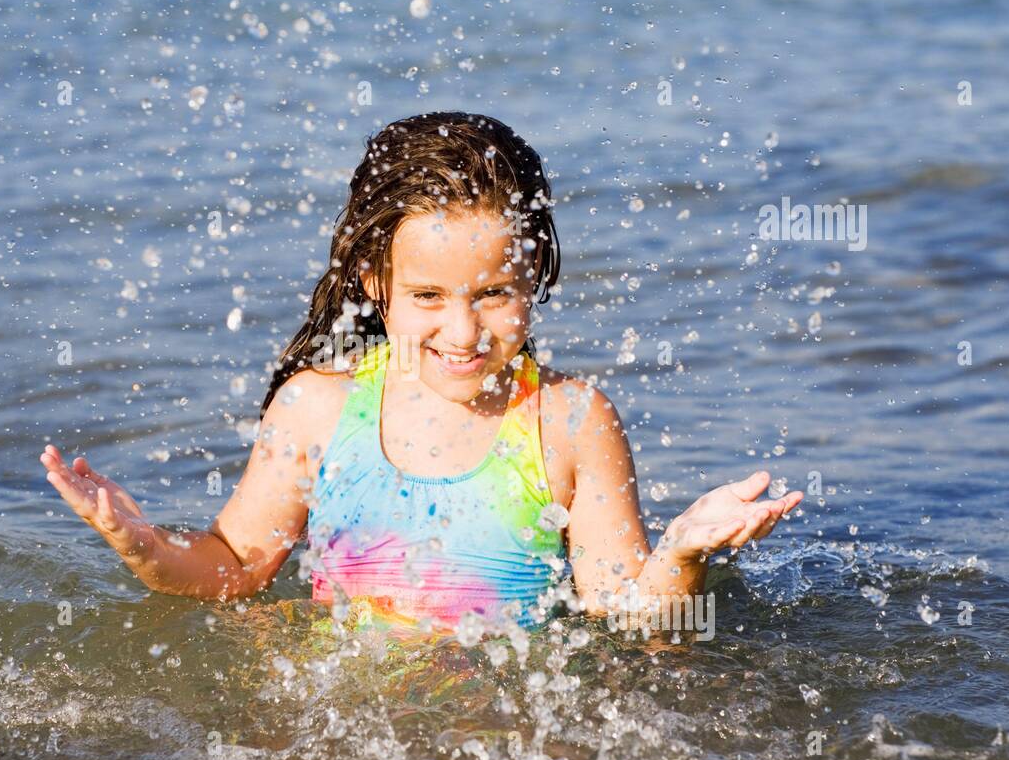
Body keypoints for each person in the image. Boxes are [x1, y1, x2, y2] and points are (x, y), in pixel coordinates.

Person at [40, 111, 802, 638]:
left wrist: (681, 559)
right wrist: (145, 548)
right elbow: (235, 568)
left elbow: (628, 620)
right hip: (343, 723)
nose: (464, 332)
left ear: (533, 273)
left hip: (500, 734)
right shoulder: (315, 412)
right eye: (428, 297)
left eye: (494, 295)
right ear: (377, 283)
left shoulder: (569, 421)